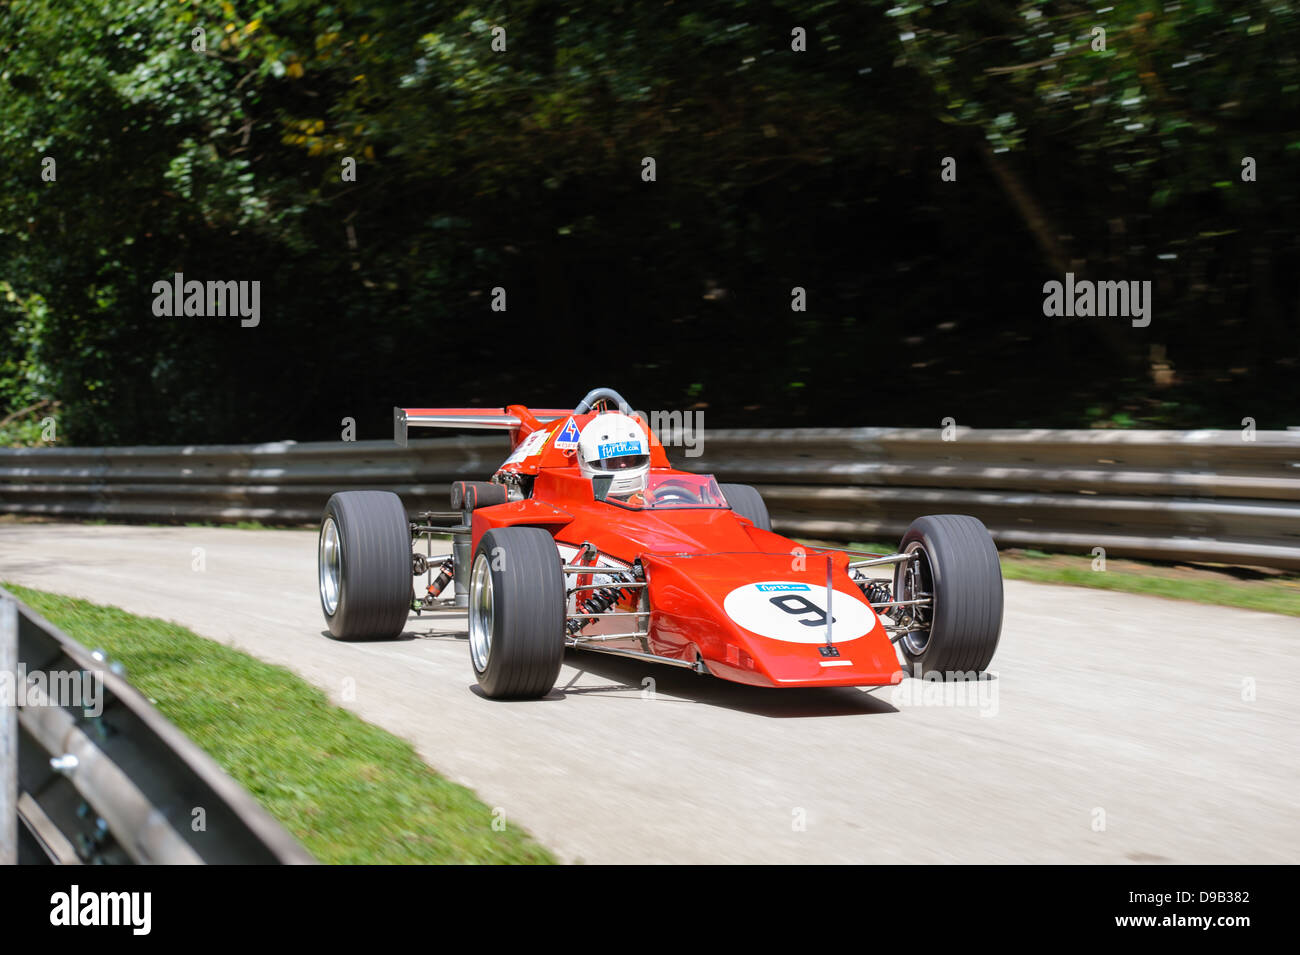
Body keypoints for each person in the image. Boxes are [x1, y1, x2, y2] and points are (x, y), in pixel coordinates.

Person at [576, 412, 651, 500]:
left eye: (628, 458)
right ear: (583, 458)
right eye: (612, 459)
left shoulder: (654, 496)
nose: (622, 465)